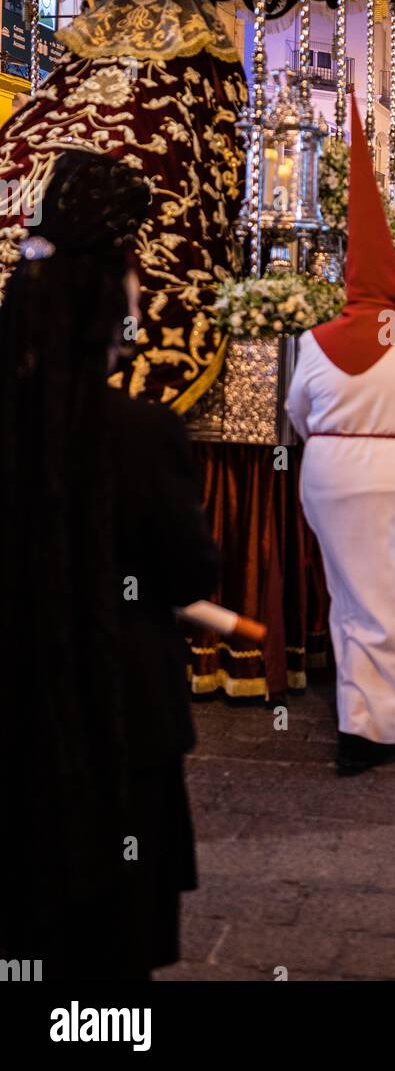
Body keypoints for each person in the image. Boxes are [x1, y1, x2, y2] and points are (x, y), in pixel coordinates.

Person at [0, 152, 219, 982]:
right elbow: (191, 574)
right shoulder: (140, 434)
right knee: (109, 961)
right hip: (117, 719)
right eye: (132, 271)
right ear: (109, 293)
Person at [288, 101, 395, 775]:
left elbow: (300, 415)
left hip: (330, 476)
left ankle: (357, 724)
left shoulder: (313, 339)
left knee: (350, 596)